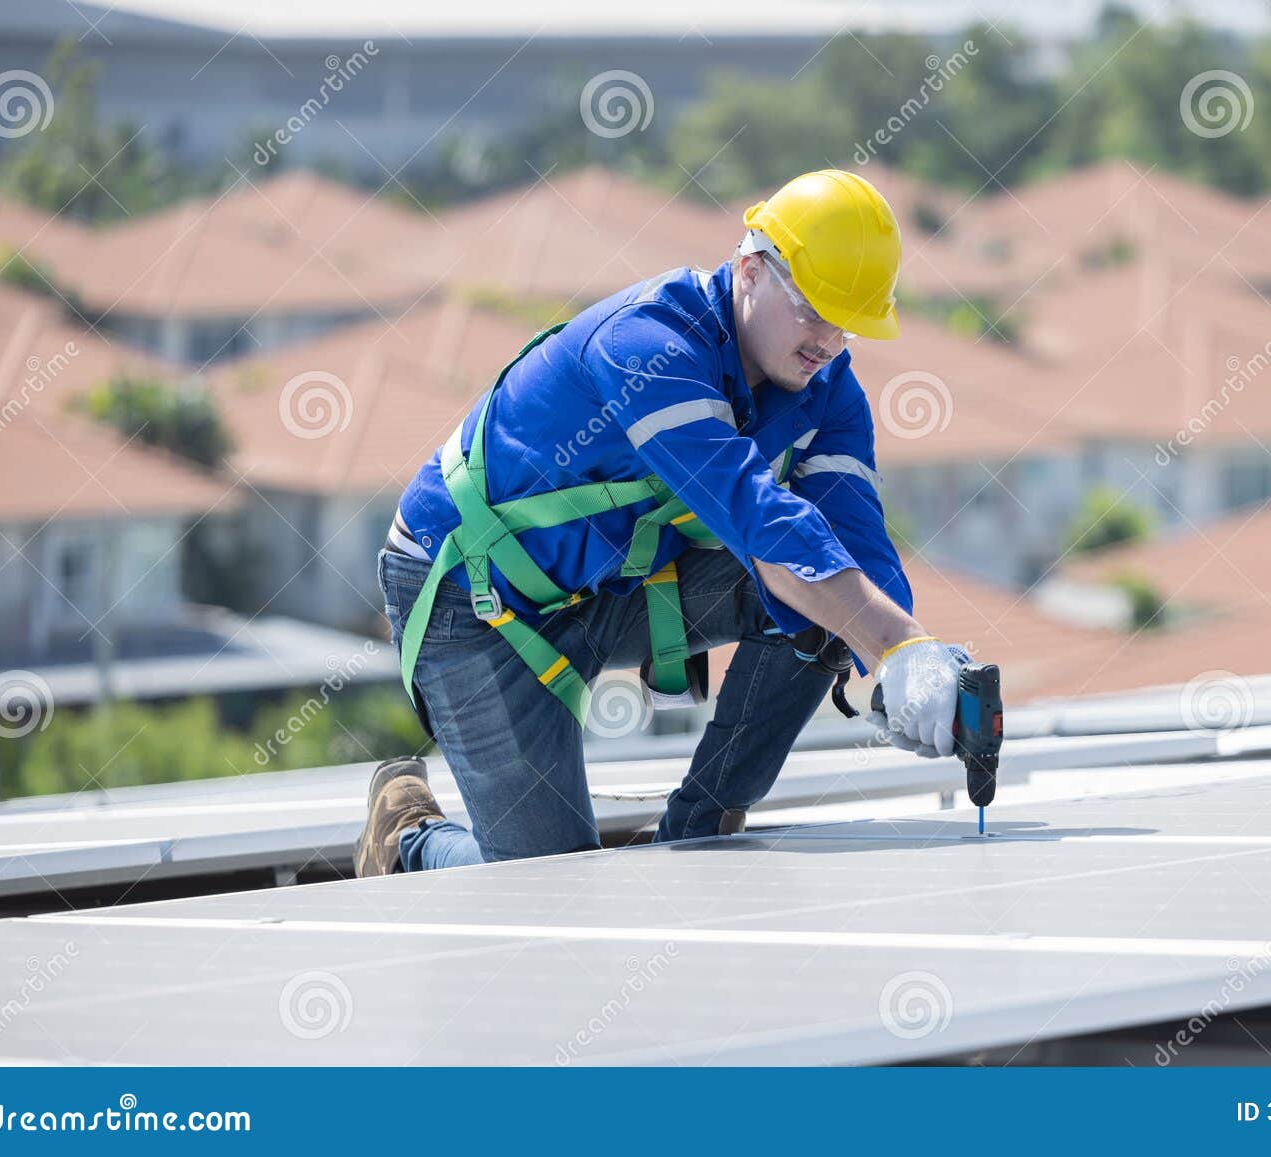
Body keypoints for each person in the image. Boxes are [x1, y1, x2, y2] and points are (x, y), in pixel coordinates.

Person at [354, 169, 972, 877]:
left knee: (829, 600)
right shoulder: (648, 348)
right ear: (749, 270)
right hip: (474, 598)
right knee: (549, 888)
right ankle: (408, 839)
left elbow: (856, 542)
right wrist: (894, 642)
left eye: (848, 322)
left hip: (606, 584)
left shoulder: (829, 391)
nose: (829, 341)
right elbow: (758, 521)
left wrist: (909, 658)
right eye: (814, 310)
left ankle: (697, 830)